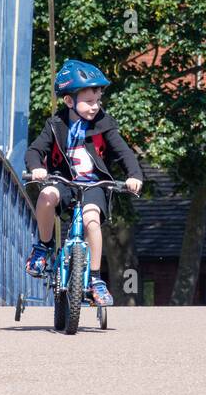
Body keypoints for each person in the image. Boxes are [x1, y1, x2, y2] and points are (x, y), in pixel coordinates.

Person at [24, 59, 144, 307]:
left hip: (94, 185)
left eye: (98, 101)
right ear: (69, 101)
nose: (95, 106)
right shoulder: (55, 125)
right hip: (64, 181)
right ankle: (43, 247)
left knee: (91, 220)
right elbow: (34, 150)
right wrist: (36, 167)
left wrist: (134, 176)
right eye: (89, 101)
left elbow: (124, 152)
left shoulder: (104, 124)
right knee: (46, 194)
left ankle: (96, 279)